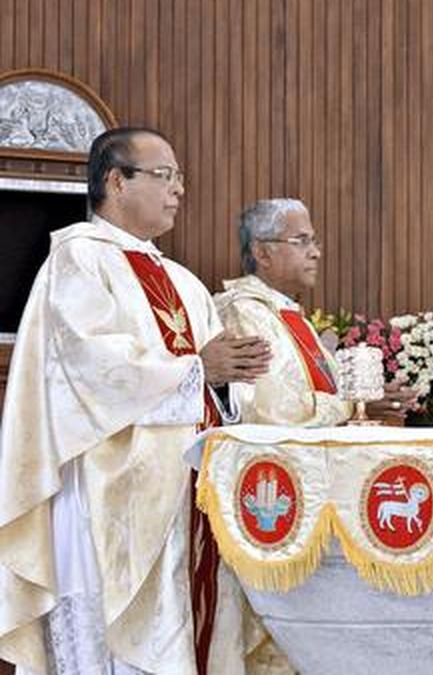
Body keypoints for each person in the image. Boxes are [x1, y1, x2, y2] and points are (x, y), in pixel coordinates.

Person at [0, 127, 272, 674]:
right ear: (115, 182)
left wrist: (228, 375)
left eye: (180, 178)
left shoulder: (184, 281)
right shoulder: (77, 260)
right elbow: (89, 370)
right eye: (164, 175)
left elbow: (214, 384)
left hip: (179, 494)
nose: (178, 190)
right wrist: (199, 370)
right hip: (103, 495)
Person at [214, 199, 414, 427]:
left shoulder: (289, 313)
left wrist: (371, 398)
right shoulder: (243, 312)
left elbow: (331, 392)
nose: (316, 253)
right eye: (301, 241)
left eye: (313, 241)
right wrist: (354, 406)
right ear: (262, 253)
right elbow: (267, 409)